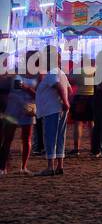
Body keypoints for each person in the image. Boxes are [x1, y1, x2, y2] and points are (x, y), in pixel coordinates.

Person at [35, 45, 70, 176]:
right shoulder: (61, 72)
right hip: (59, 108)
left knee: (51, 136)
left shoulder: (52, 74)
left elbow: (59, 86)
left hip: (52, 109)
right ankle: (60, 165)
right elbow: (68, 89)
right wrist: (65, 101)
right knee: (60, 136)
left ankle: (50, 167)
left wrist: (64, 101)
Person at [1, 51, 38, 174]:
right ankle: (3, 167)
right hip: (12, 108)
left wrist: (26, 88)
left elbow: (38, 94)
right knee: (8, 138)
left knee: (26, 138)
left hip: (27, 108)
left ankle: (24, 167)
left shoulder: (38, 74)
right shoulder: (15, 71)